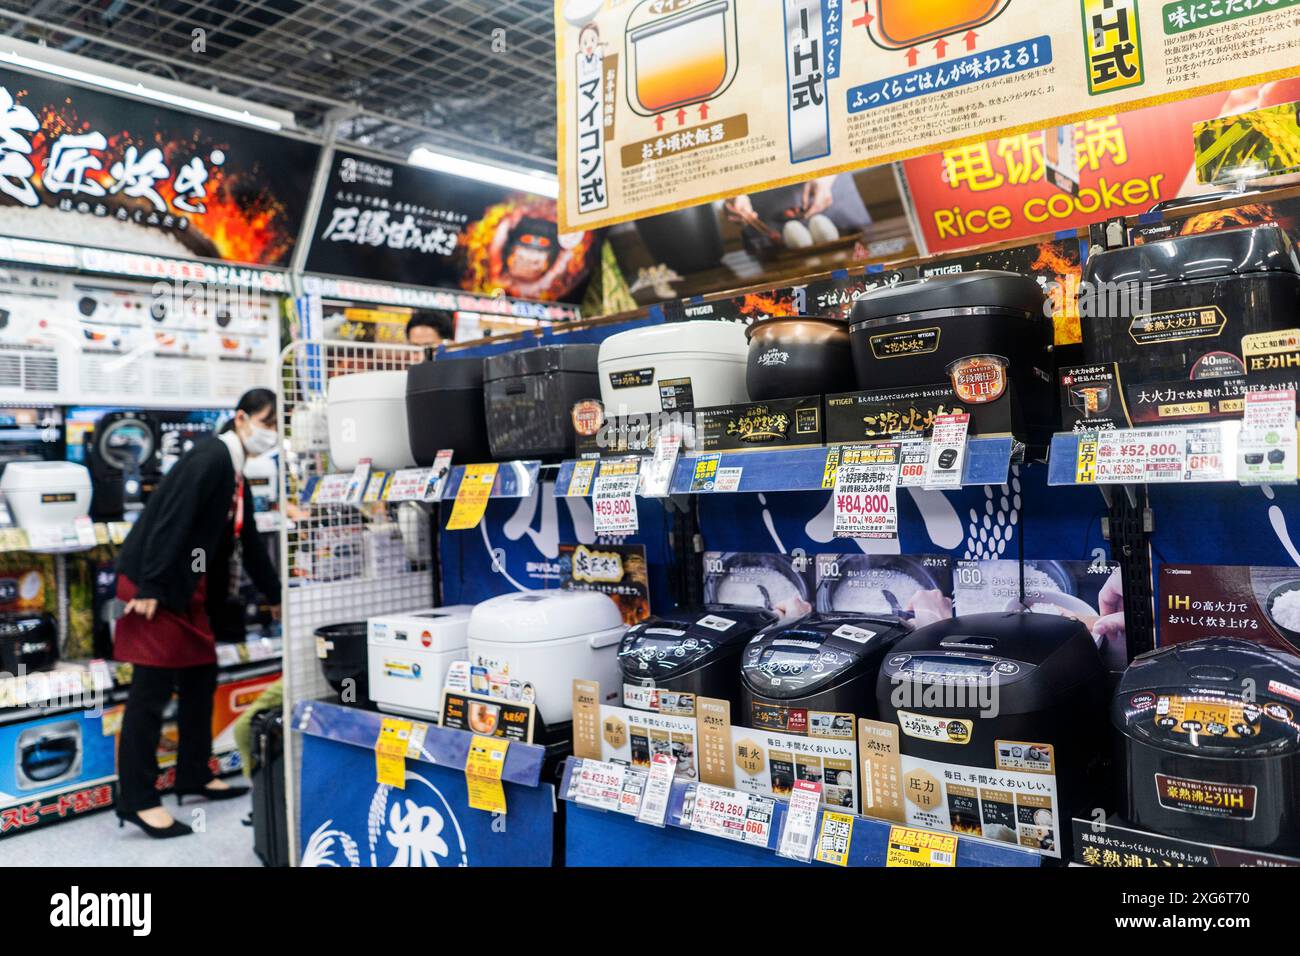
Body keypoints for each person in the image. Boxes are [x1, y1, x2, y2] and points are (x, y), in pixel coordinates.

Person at [112, 388, 282, 839]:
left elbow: (243, 542)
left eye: (277, 427)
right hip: (156, 585)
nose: (272, 434)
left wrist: (275, 594)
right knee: (150, 690)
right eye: (267, 423)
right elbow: (171, 518)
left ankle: (192, 773)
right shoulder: (211, 459)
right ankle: (137, 799)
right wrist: (151, 584)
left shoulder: (235, 470)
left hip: (185, 589)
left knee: (200, 675)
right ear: (241, 418)